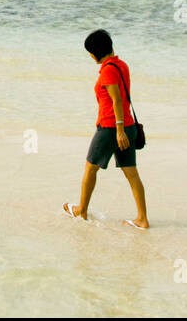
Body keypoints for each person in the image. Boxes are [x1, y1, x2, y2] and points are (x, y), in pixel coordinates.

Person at [63, 29, 149, 228]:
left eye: (90, 53)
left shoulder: (109, 70)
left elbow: (117, 100)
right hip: (129, 127)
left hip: (111, 128)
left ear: (96, 52)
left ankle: (81, 210)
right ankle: (142, 219)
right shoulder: (122, 65)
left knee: (90, 168)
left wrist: (118, 131)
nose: (90, 56)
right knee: (132, 173)